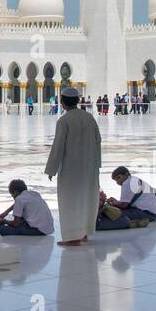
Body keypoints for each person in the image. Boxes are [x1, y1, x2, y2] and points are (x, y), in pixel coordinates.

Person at [43, 87, 101, 245]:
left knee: (70, 201)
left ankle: (72, 237)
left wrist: (51, 170)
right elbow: (98, 141)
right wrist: (97, 164)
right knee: (87, 198)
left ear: (62, 102)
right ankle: (85, 233)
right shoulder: (89, 118)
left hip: (71, 169)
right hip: (89, 168)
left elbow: (58, 146)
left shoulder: (64, 120)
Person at [97, 166, 156, 230]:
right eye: (116, 180)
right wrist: (116, 202)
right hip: (152, 213)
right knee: (113, 211)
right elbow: (126, 203)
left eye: (119, 178)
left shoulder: (128, 183)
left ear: (126, 174)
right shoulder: (134, 180)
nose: (118, 182)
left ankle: (128, 223)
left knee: (112, 213)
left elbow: (123, 205)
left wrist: (109, 205)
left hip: (146, 214)